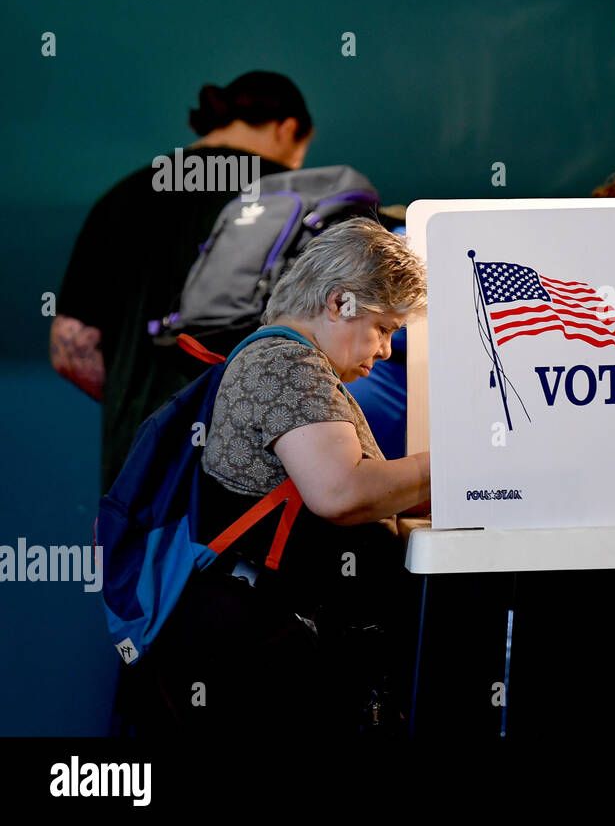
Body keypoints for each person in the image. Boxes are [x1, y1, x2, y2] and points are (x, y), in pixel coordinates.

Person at [129, 217, 430, 734]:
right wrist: (450, 467)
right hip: (262, 655)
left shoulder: (280, 360)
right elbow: (339, 493)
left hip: (261, 643)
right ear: (340, 303)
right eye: (383, 328)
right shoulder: (287, 364)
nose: (384, 350)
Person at [51, 71, 315, 494]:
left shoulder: (121, 200)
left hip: (136, 471)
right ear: (288, 129)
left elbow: (69, 346)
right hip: (256, 476)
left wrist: (152, 408)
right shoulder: (294, 200)